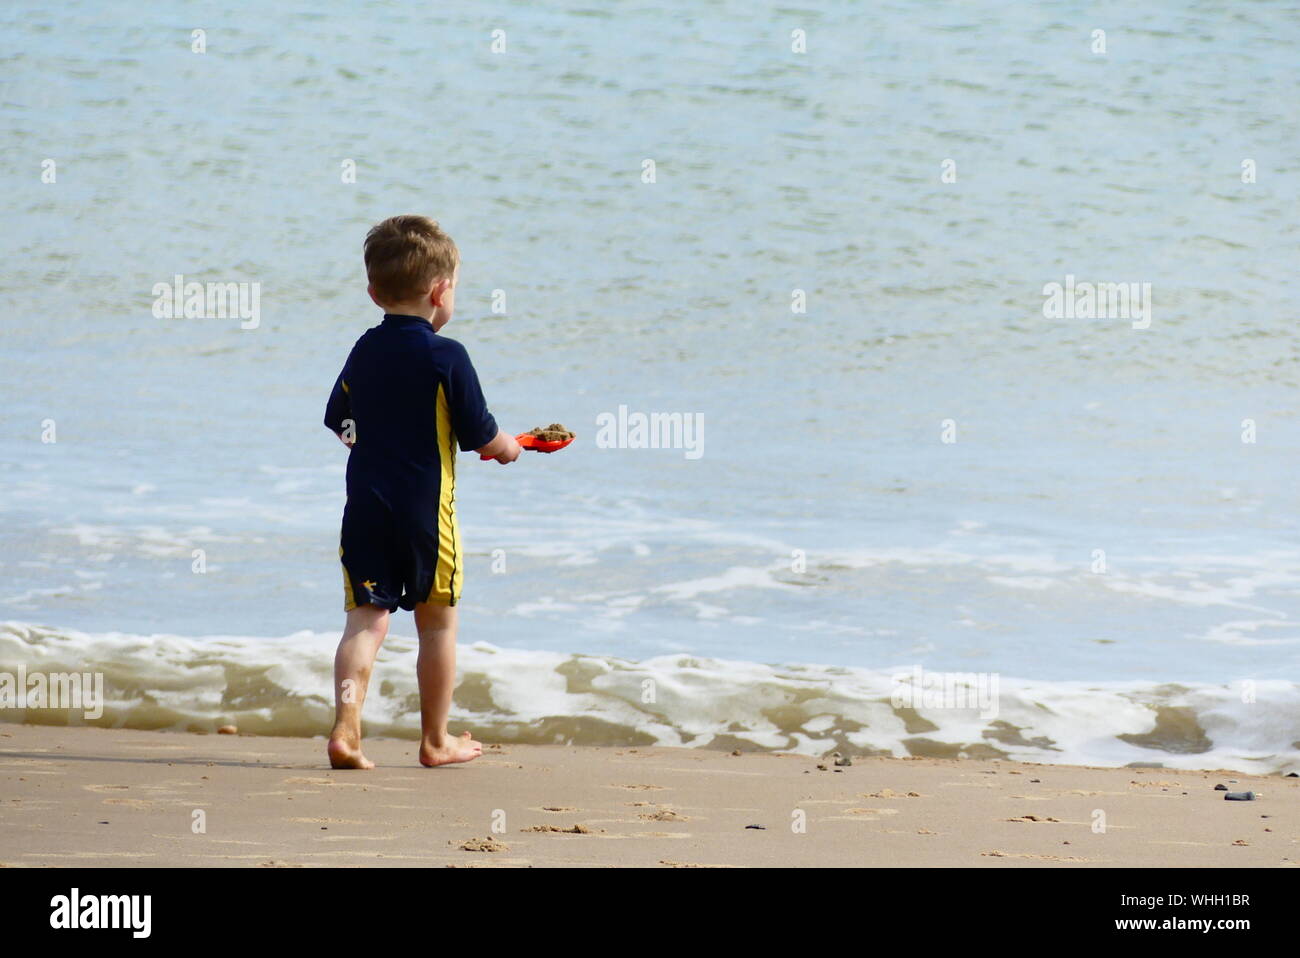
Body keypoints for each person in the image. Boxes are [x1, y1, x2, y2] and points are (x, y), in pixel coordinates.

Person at [322, 215, 521, 769]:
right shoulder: (446, 355)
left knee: (365, 619)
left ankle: (345, 730)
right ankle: (436, 740)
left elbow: (338, 418)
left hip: (364, 506)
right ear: (440, 291)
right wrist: (512, 446)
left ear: (373, 292)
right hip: (425, 515)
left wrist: (369, 446)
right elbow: (482, 435)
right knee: (436, 623)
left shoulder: (364, 349)